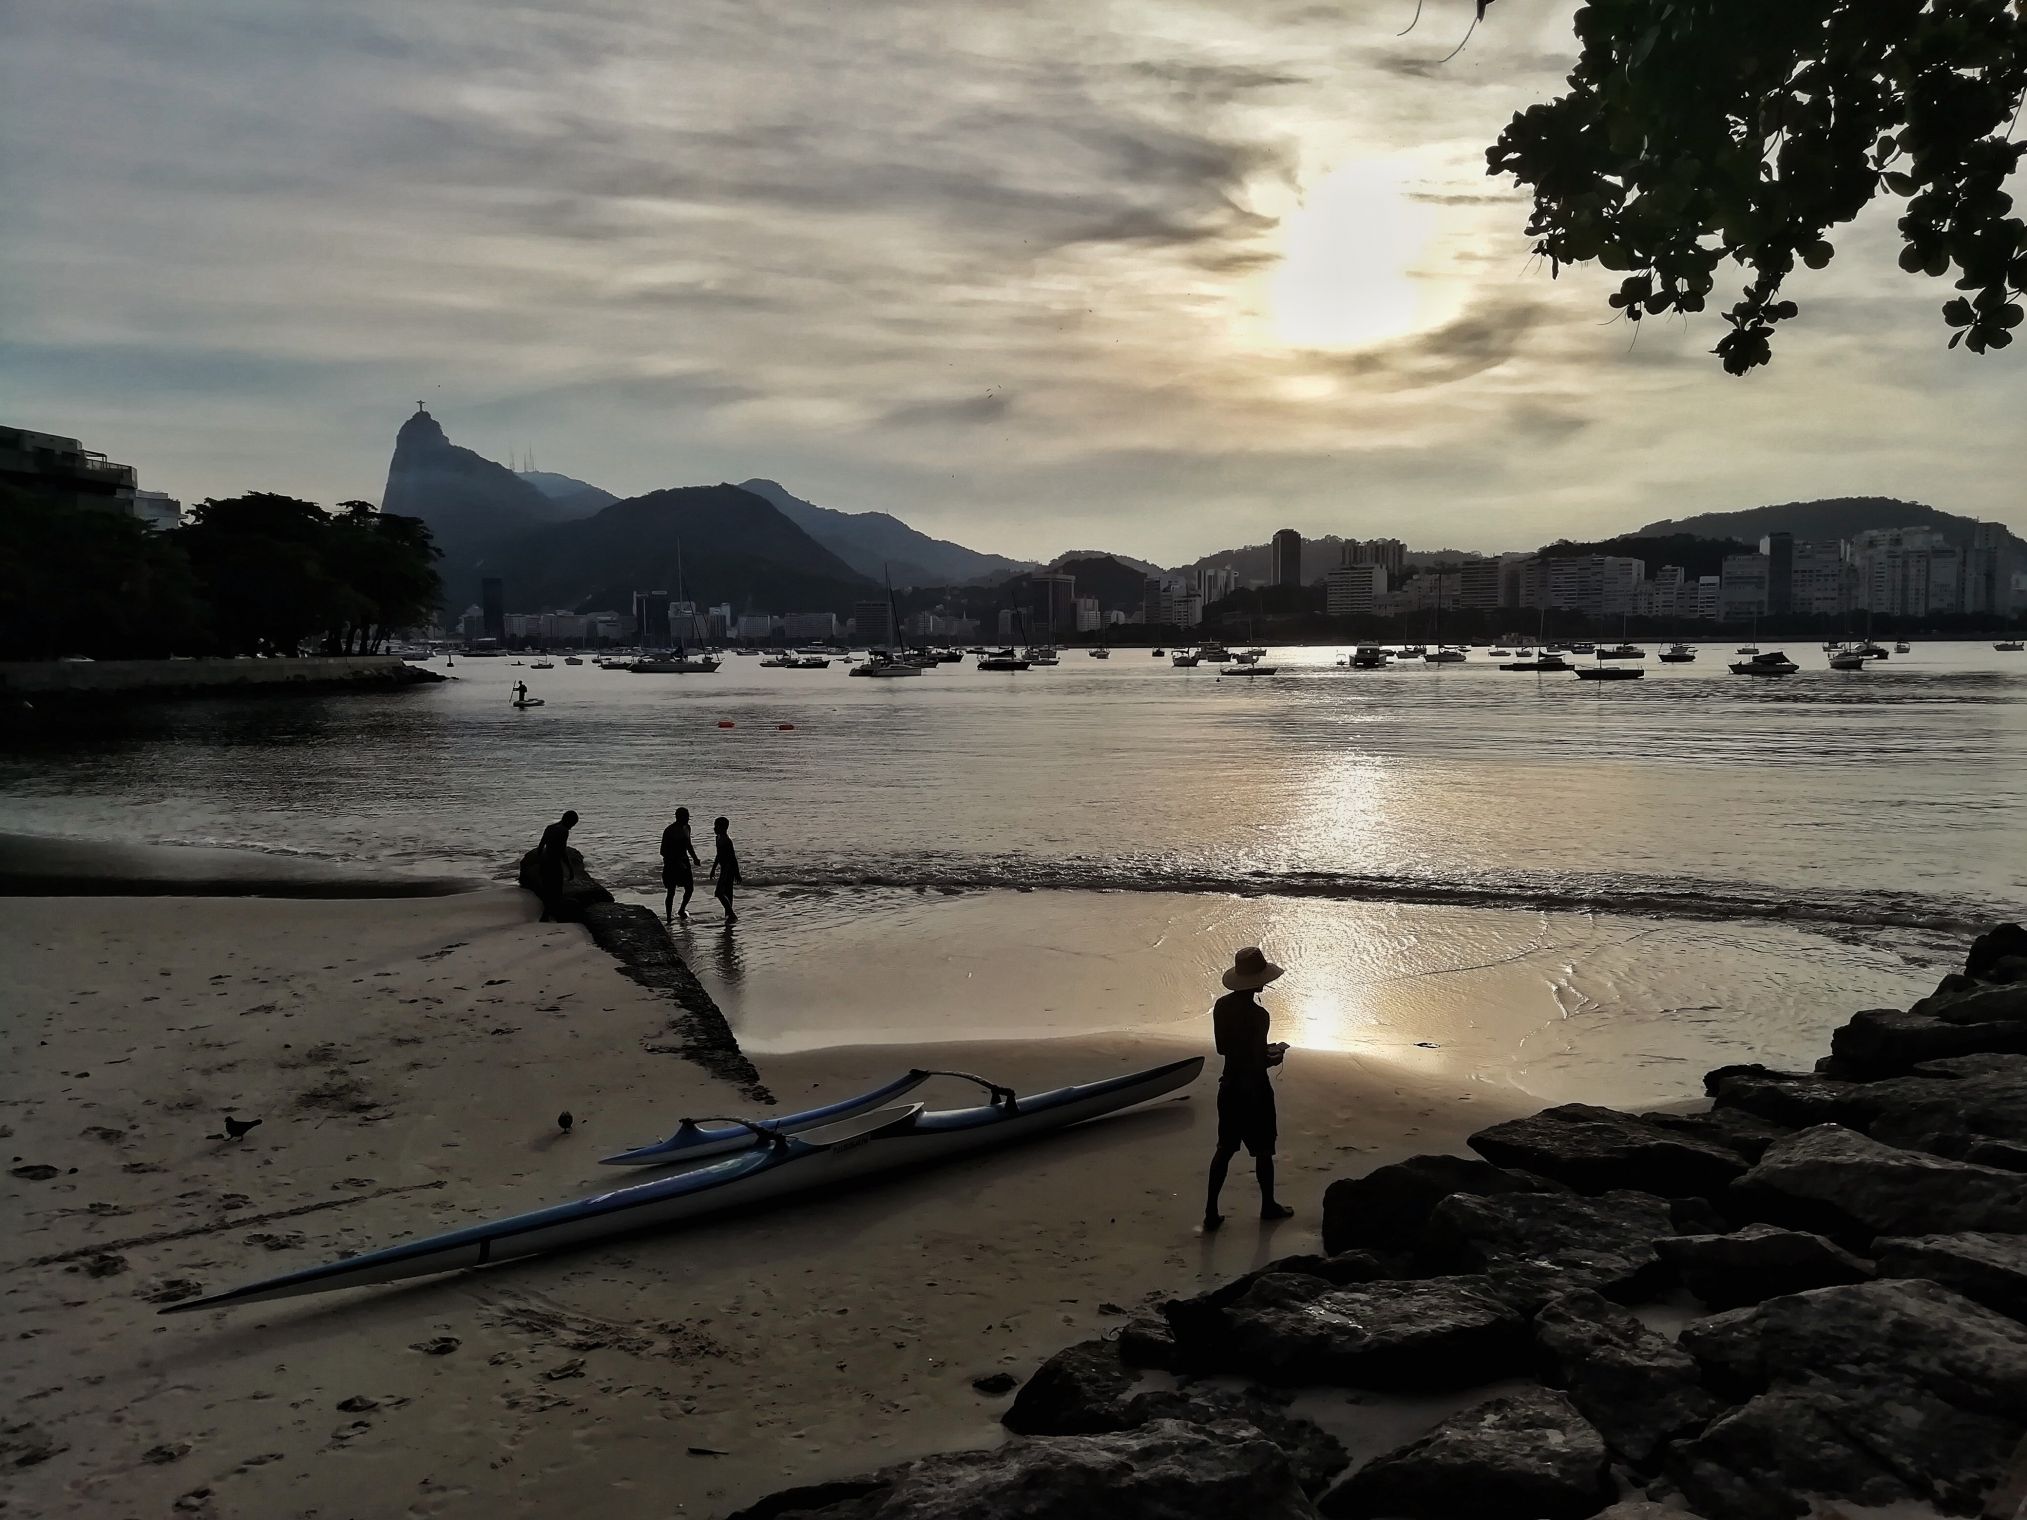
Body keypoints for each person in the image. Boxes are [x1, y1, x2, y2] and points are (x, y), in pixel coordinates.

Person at [1203, 945, 1292, 1233]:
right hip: (1254, 1089)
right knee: (1264, 1150)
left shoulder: (1222, 1006)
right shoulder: (1259, 1016)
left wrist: (1257, 1052)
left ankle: (1211, 1212)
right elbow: (1256, 1059)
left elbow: (1224, 1048)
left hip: (1229, 1086)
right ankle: (1268, 1206)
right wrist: (1274, 1056)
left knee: (1224, 1149)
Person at [535, 810, 578, 922]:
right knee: (556, 891)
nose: (571, 828)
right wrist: (570, 868)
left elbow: (540, 847)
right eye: (572, 824)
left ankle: (546, 915)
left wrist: (539, 862)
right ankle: (549, 916)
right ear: (569, 821)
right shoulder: (563, 831)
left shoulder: (549, 828)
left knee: (547, 889)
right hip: (553, 863)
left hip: (545, 861)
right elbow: (562, 851)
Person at [660, 807, 701, 922]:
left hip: (684, 861)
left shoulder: (687, 828)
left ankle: (681, 909)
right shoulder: (670, 830)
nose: (687, 819)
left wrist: (695, 858)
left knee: (689, 888)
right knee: (671, 891)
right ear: (678, 817)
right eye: (685, 816)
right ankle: (668, 918)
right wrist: (676, 861)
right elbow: (663, 851)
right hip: (671, 863)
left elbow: (688, 845)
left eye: (688, 816)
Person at [706, 815, 740, 924]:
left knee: (719, 892)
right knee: (727, 893)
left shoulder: (726, 840)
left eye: (716, 826)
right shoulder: (718, 838)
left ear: (723, 828)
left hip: (728, 869)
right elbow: (718, 855)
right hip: (723, 868)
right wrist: (713, 869)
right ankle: (729, 916)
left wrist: (737, 873)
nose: (714, 828)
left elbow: (733, 857)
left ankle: (731, 914)